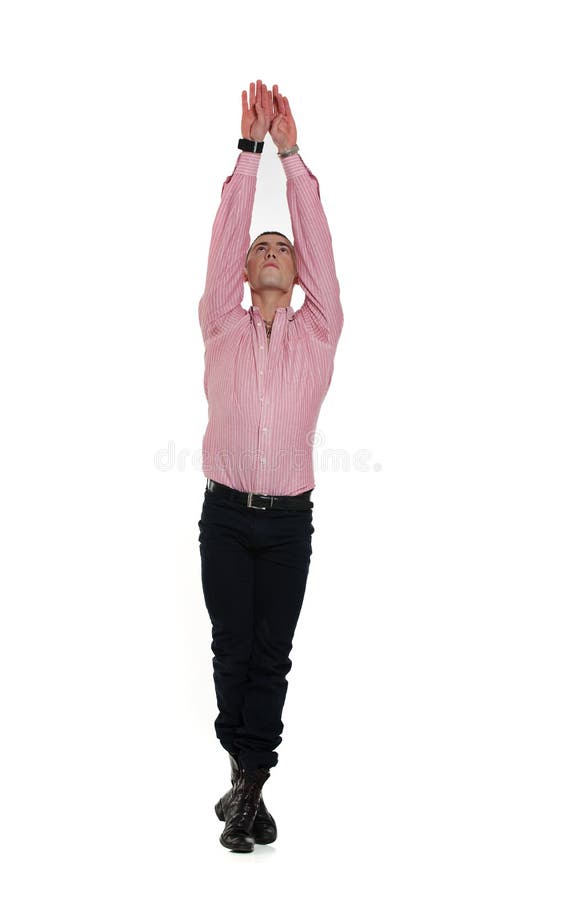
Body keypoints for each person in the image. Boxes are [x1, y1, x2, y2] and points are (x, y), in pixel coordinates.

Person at [197, 79, 344, 852]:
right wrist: (248, 152)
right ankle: (246, 774)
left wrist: (292, 154)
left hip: (289, 524)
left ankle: (248, 784)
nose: (274, 249)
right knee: (232, 648)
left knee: (272, 651)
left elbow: (314, 236)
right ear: (248, 273)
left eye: (282, 247)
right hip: (224, 516)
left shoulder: (319, 330)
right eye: (264, 247)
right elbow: (227, 238)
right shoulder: (219, 321)